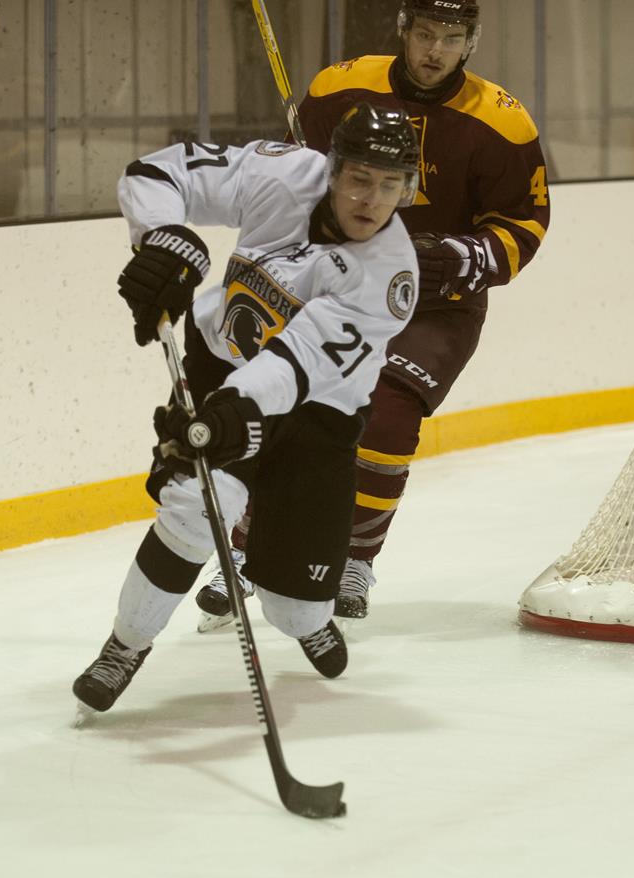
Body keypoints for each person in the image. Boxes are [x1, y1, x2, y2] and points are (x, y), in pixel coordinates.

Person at [194, 0, 550, 628]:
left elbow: (524, 223)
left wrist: (458, 257)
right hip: (339, 292)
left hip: (436, 304)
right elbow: (289, 182)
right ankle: (250, 550)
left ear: (470, 42)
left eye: (451, 38)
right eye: (425, 34)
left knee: (385, 417)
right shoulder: (339, 88)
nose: (435, 50)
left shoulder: (503, 121)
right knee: (289, 407)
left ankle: (355, 561)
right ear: (403, 31)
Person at [72, 104, 422, 713]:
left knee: (293, 608)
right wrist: (160, 239)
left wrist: (233, 409)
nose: (371, 199)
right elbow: (154, 174)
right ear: (333, 170)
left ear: (407, 190)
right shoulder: (282, 173)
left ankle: (307, 618)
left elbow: (298, 362)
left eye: (389, 185)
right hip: (223, 366)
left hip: (317, 413)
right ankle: (125, 646)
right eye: (360, 179)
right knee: (195, 509)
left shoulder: (388, 278)